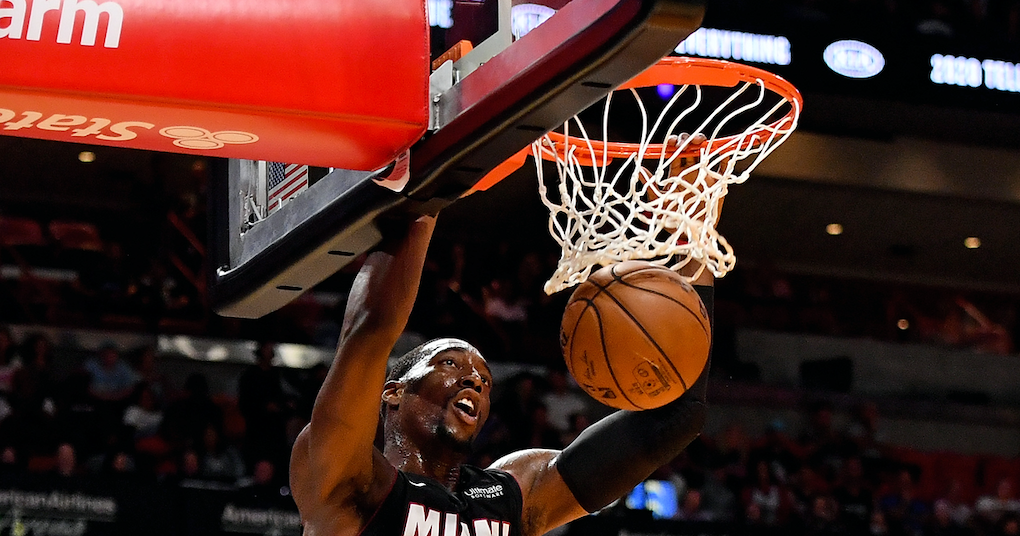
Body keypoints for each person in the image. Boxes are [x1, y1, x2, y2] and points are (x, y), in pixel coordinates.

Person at [289, 213, 714, 536]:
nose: (474, 379)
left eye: (485, 380)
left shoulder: (514, 496)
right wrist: (422, 202)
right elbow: (369, 332)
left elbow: (676, 416)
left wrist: (692, 230)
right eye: (450, 364)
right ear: (393, 392)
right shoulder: (349, 479)